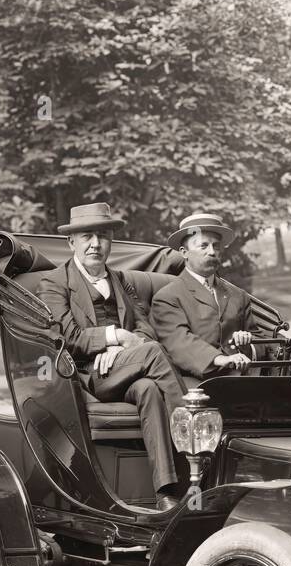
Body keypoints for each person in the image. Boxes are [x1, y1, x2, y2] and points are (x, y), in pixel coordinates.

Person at [37, 202, 185, 510]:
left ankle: (166, 493)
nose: (95, 244)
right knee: (155, 355)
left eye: (102, 236)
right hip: (89, 376)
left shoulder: (121, 281)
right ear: (71, 242)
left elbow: (146, 332)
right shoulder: (54, 283)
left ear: (111, 241)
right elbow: (67, 338)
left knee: (148, 389)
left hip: (125, 367)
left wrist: (122, 348)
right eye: (87, 236)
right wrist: (115, 336)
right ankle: (194, 434)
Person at [151, 211, 272, 383]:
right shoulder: (168, 297)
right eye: (203, 246)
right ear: (184, 252)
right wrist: (221, 359)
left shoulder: (238, 295)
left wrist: (247, 347)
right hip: (196, 382)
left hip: (242, 380)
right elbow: (179, 342)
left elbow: (259, 341)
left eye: (216, 246)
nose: (212, 252)